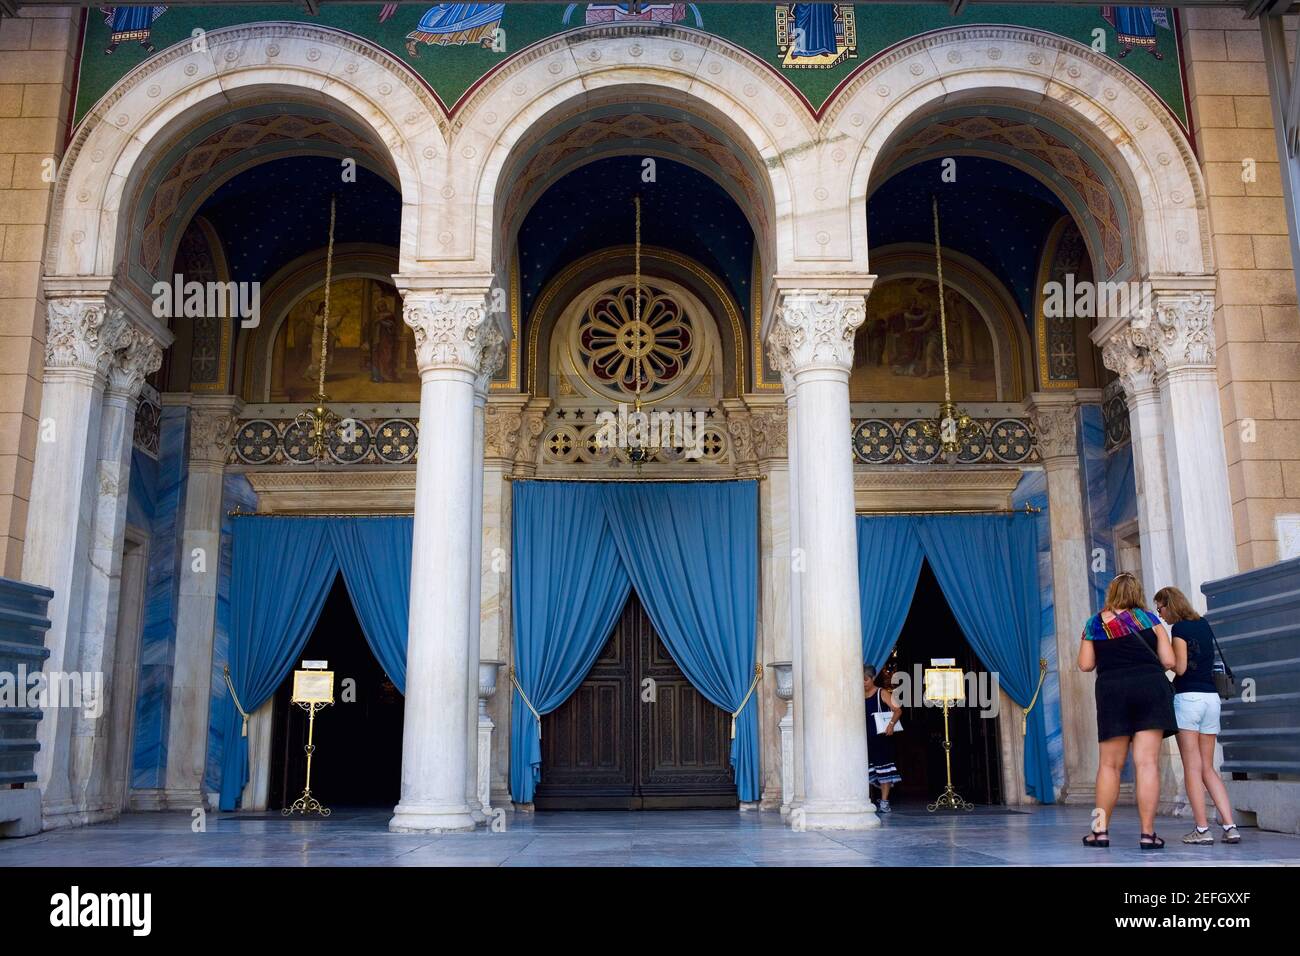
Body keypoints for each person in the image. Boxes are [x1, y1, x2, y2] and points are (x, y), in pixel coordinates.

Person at [1078, 572, 1178, 849]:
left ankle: (1100, 831)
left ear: (1111, 593)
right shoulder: (1150, 619)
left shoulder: (1094, 623)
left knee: (1109, 765)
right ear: (1137, 592)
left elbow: (1085, 665)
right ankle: (1148, 834)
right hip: (1150, 688)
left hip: (1113, 692)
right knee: (1146, 763)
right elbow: (1169, 661)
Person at [1153, 586, 1242, 846]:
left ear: (1169, 605)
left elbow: (1179, 667)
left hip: (1188, 700)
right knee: (1207, 767)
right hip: (1211, 700)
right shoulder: (1203, 623)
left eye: (1160, 608)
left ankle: (1202, 829)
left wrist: (1161, 662)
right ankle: (1230, 825)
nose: (1160, 615)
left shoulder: (1179, 629)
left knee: (1192, 767)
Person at [864, 665, 903, 812]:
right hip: (865, 737)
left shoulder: (882, 692)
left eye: (866, 680)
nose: (863, 683)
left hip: (880, 737)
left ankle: (885, 802)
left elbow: (898, 710)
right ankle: (867, 800)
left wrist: (891, 725)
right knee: (868, 770)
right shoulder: (858, 694)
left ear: (872, 678)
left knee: (884, 770)